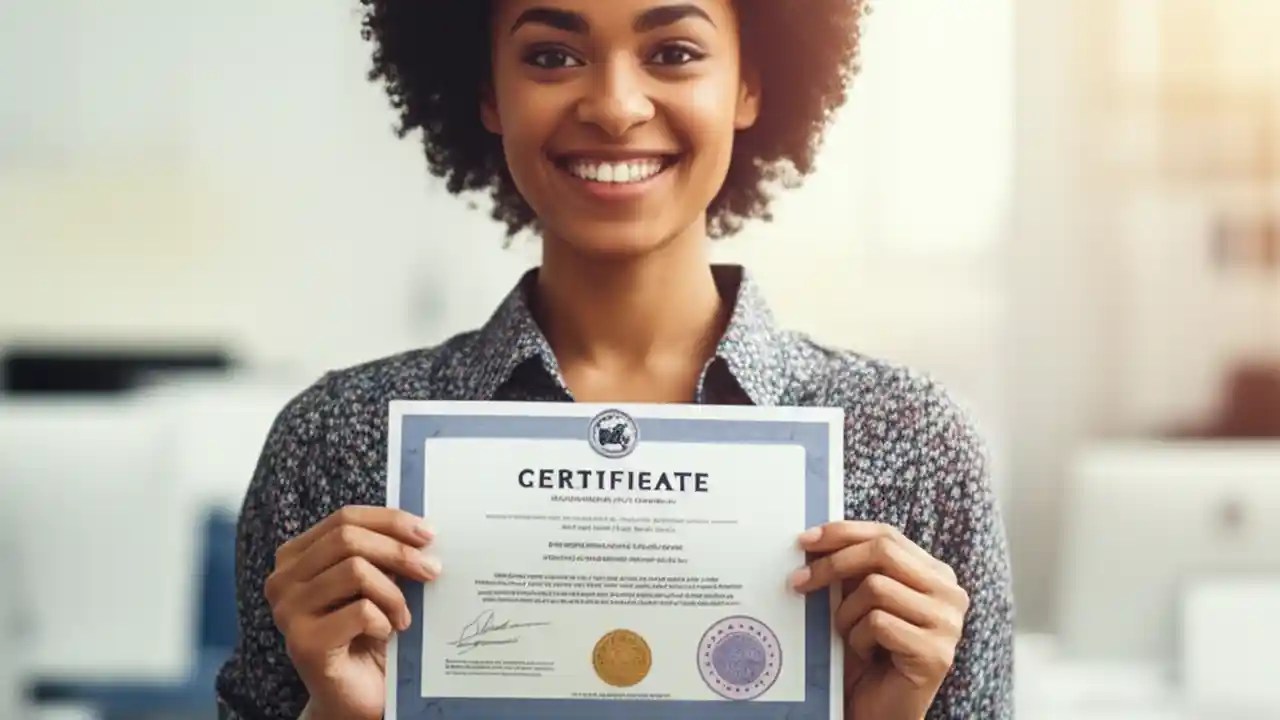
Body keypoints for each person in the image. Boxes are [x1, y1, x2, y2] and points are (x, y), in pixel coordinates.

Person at [215, 1, 1015, 718]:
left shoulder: (917, 444)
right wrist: (336, 715)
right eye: (552, 56)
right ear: (487, 92)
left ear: (750, 85)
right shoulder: (333, 442)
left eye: (672, 52)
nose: (614, 107)